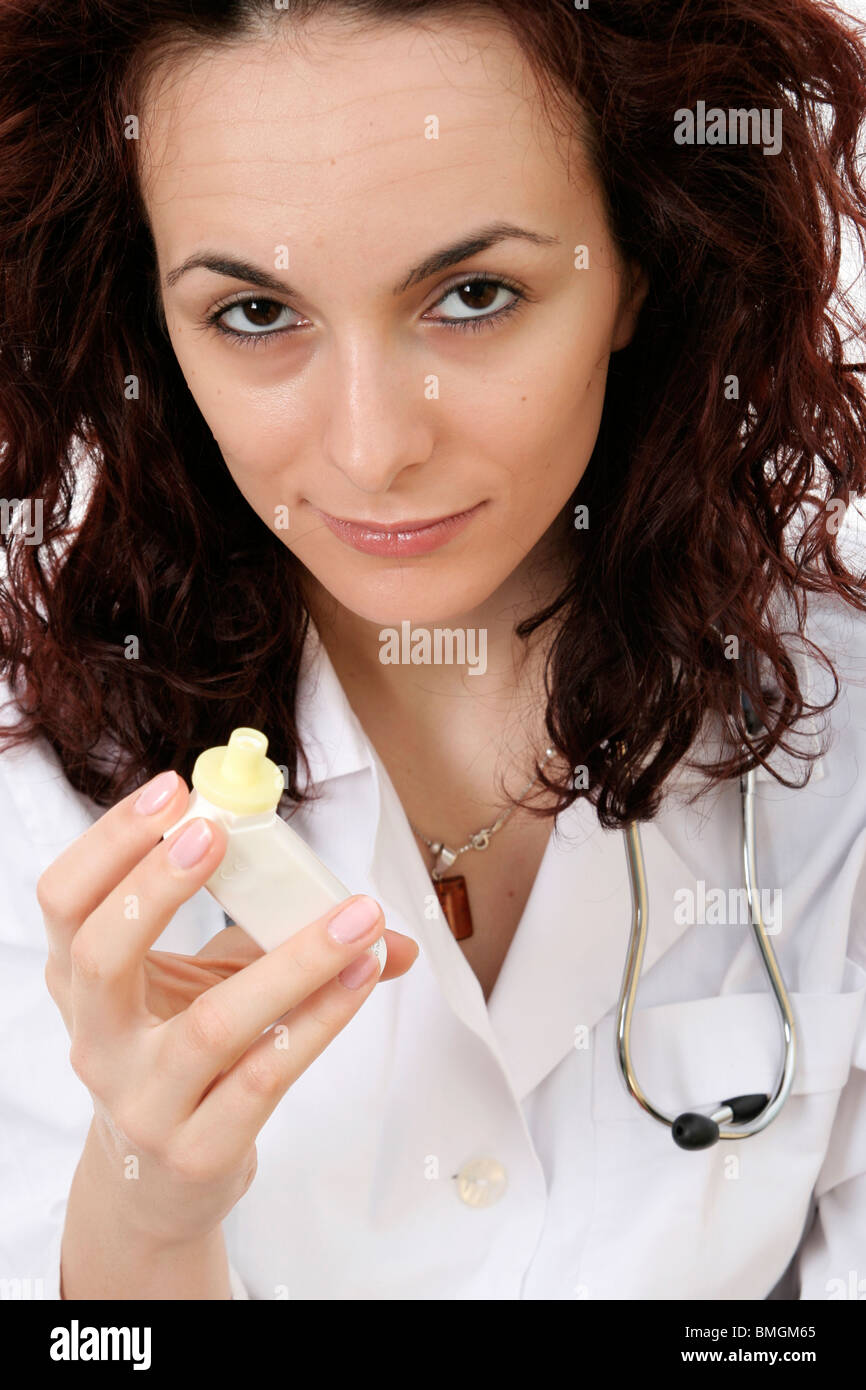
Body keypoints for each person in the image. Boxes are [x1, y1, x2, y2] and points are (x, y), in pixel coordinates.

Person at [0, 0, 865, 1302]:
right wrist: (149, 1204)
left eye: (472, 295)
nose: (369, 448)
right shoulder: (38, 801)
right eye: (251, 312)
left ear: (640, 263)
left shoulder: (837, 734)